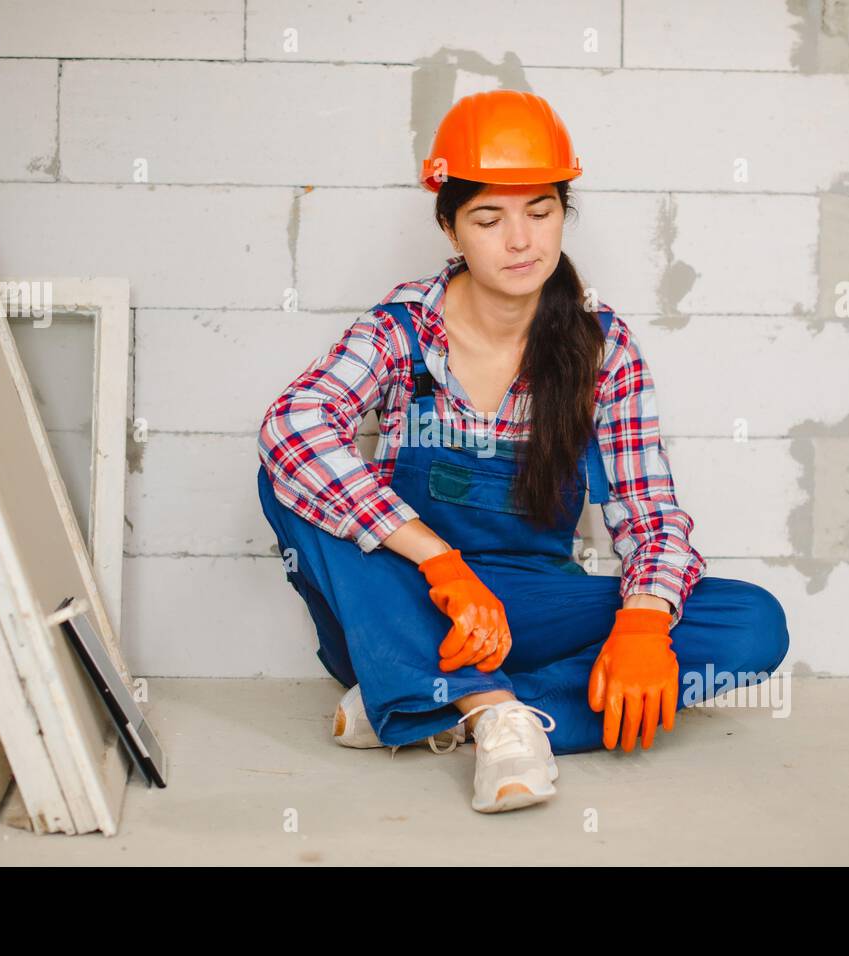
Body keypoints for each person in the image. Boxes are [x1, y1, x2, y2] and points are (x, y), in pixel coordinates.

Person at [257, 90, 789, 813]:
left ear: (564, 213)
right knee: (284, 475)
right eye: (488, 217)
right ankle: (482, 707)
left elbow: (652, 514)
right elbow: (295, 425)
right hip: (407, 601)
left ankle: (446, 708)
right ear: (449, 226)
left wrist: (641, 622)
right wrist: (438, 561)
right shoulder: (402, 330)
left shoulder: (602, 348)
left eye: (540, 211)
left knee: (751, 624)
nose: (520, 240)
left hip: (528, 610)